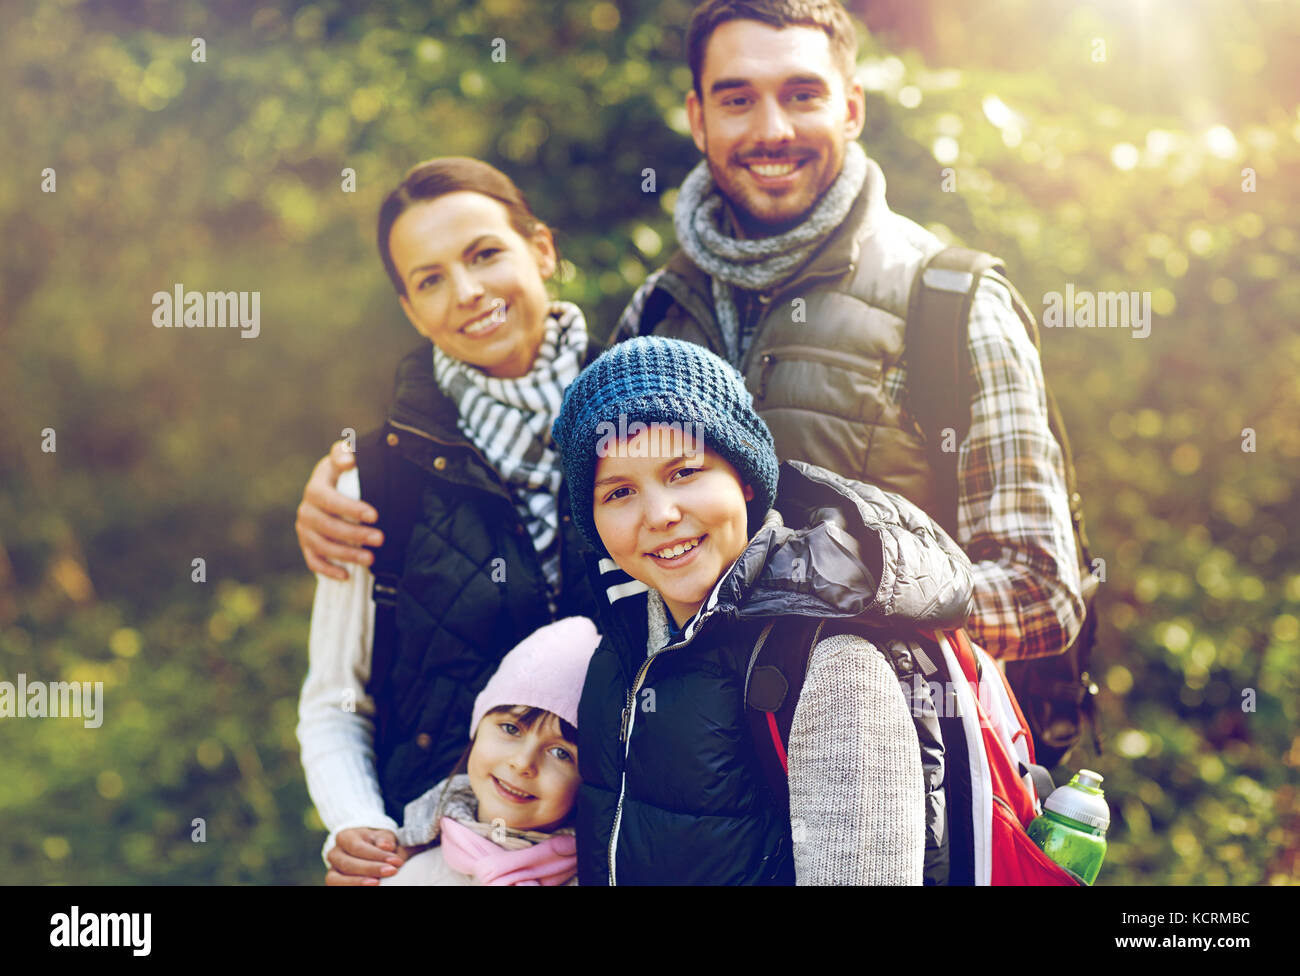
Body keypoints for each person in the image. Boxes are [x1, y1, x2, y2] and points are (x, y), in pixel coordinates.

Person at [296, 0, 1083, 674]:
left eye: (801, 95)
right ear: (698, 117)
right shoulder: (657, 311)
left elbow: (1041, 595)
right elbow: (557, 498)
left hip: (898, 794)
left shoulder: (950, 302)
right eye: (737, 100)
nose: (771, 129)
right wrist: (358, 481)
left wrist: (821, 620)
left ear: (851, 107)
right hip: (684, 805)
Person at [550, 336, 974, 884]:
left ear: (746, 478)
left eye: (684, 472)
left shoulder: (834, 668)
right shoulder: (620, 646)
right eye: (618, 492)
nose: (659, 514)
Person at [296, 157, 601, 885]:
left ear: (543, 251)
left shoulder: (644, 427)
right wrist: (360, 826)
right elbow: (337, 701)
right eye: (430, 279)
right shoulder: (370, 477)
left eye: (485, 254)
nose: (467, 293)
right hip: (445, 862)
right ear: (410, 308)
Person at [380, 616, 599, 886]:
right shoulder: (409, 873)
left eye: (560, 753)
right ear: (477, 728)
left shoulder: (602, 877)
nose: (522, 763)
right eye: (510, 729)